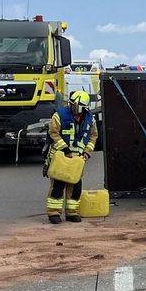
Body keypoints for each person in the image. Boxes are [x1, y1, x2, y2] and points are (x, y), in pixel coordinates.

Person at [45, 90, 98, 224]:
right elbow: (53, 133)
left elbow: (93, 137)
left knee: (75, 186)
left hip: (79, 159)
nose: (72, 107)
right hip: (61, 156)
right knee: (58, 184)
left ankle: (72, 212)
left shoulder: (90, 119)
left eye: (75, 105)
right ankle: (53, 213)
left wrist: (86, 153)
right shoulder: (59, 116)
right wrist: (66, 149)